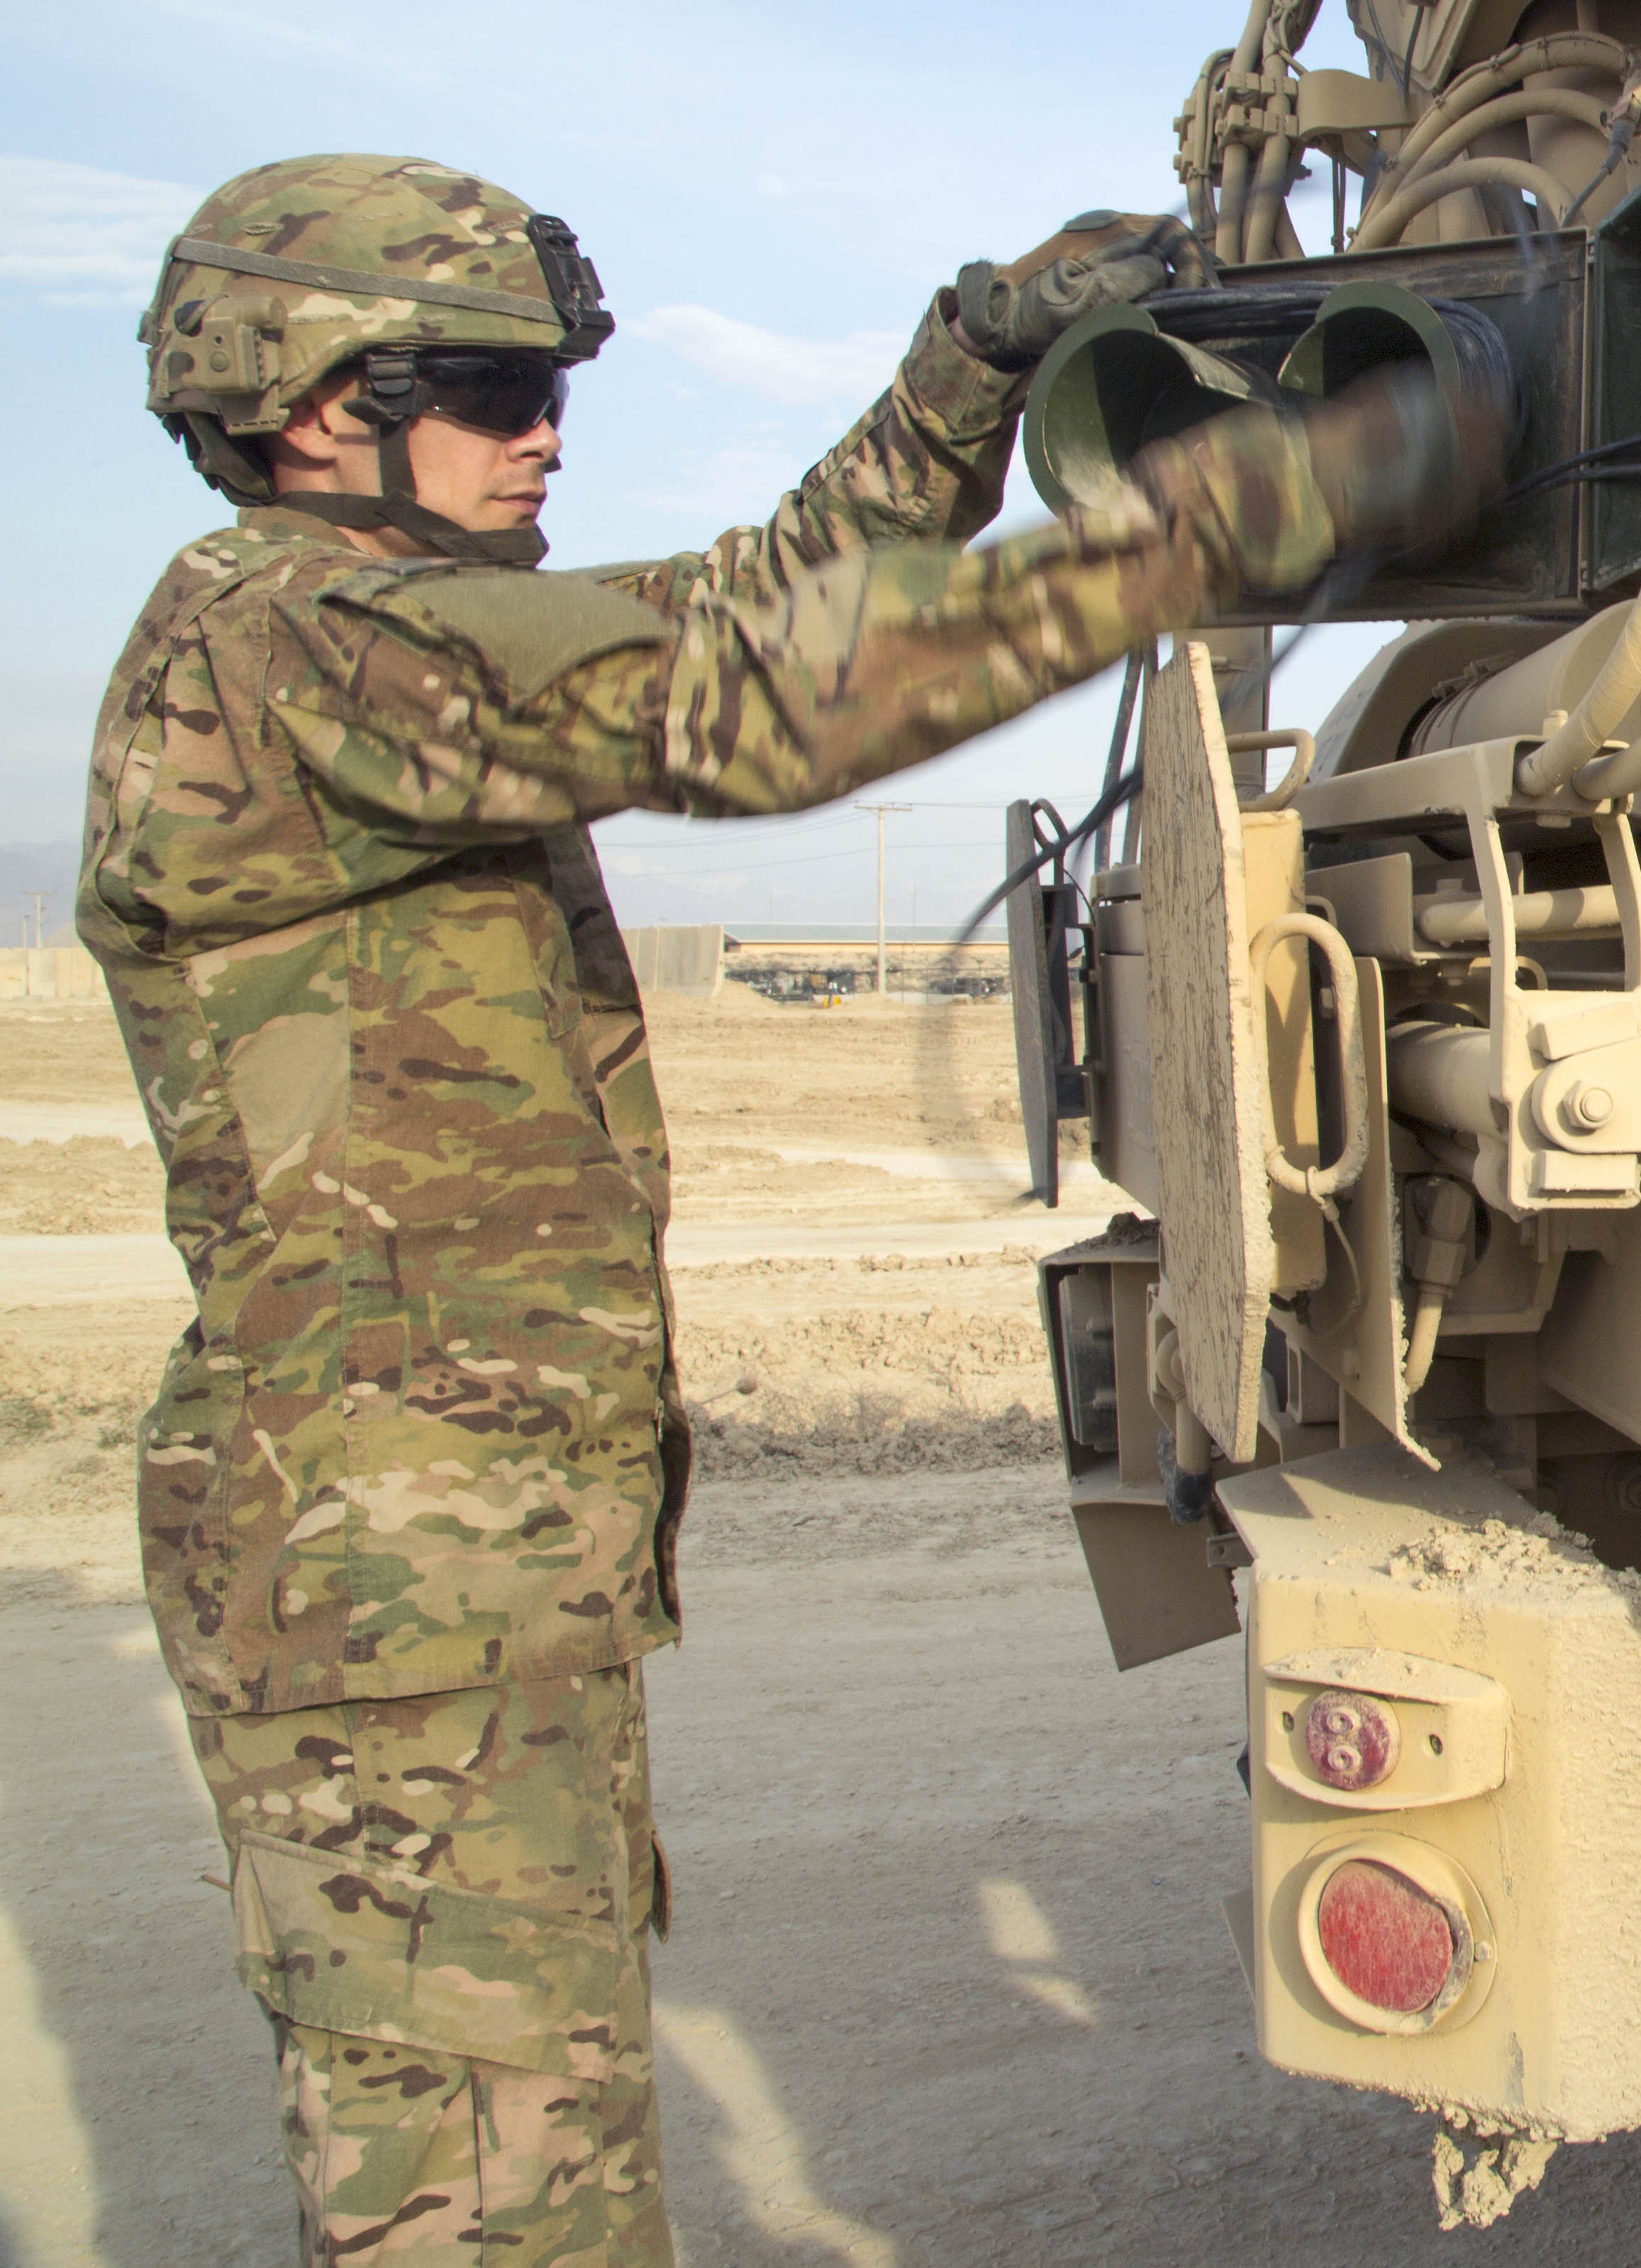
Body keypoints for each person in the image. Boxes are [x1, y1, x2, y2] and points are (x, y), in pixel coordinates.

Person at [90, 153, 1363, 2263]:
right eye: (494, 389)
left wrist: (967, 369)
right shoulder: (289, 649)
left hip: (444, 1579)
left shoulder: (356, 649)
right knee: (495, 2199)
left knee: (535, 2139)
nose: (549, 431)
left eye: (554, 385)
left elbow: (752, 601)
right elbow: (765, 694)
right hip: (392, 1593)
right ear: (314, 407)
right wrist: (1248, 516)